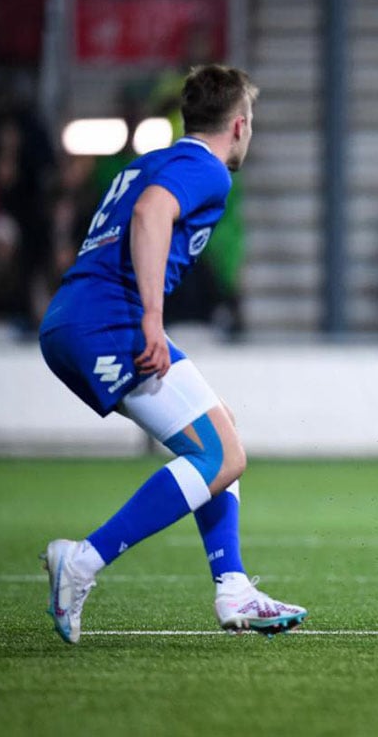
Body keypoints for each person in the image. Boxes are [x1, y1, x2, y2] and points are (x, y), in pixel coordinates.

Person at [37, 65, 306, 643]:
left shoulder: (149, 160)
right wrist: (152, 319)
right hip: (108, 323)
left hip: (77, 316)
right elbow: (151, 213)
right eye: (251, 123)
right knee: (221, 456)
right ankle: (83, 560)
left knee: (221, 433)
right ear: (239, 125)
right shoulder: (206, 169)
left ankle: (233, 588)